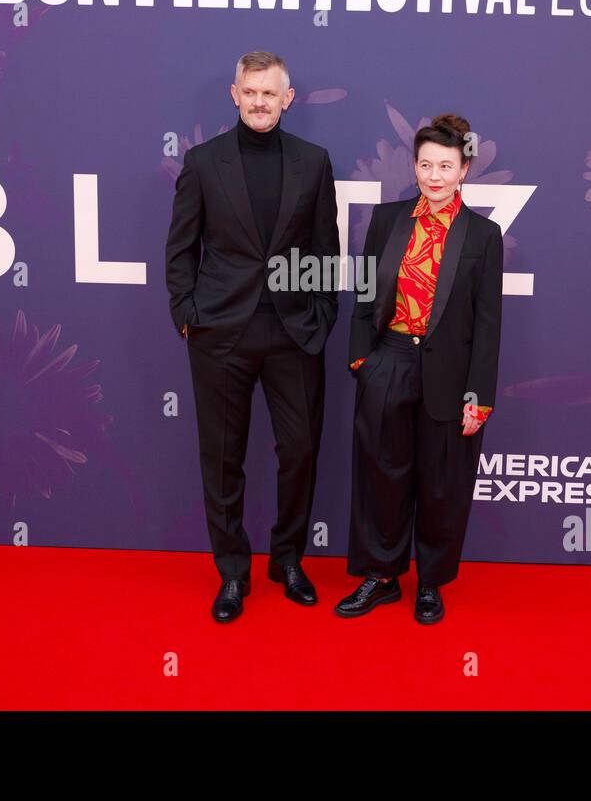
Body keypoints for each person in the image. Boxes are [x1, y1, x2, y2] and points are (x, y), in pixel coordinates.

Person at [165, 50, 340, 623]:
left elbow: (323, 249)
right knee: (222, 460)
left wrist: (321, 315)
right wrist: (188, 313)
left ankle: (288, 559)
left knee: (301, 450)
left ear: (288, 99)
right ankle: (233, 573)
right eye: (251, 91)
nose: (260, 101)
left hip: (293, 332)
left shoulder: (314, 163)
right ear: (234, 94)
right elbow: (181, 248)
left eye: (271, 93)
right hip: (220, 334)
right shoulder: (202, 162)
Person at [336, 113, 503, 625]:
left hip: (450, 379)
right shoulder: (387, 221)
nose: (434, 176)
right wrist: (363, 359)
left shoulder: (483, 234)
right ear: (414, 165)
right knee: (381, 476)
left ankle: (429, 582)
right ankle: (382, 576)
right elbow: (366, 295)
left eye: (445, 166)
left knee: (441, 483)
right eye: (426, 164)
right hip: (388, 362)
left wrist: (480, 395)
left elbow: (489, 322)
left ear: (464, 169)